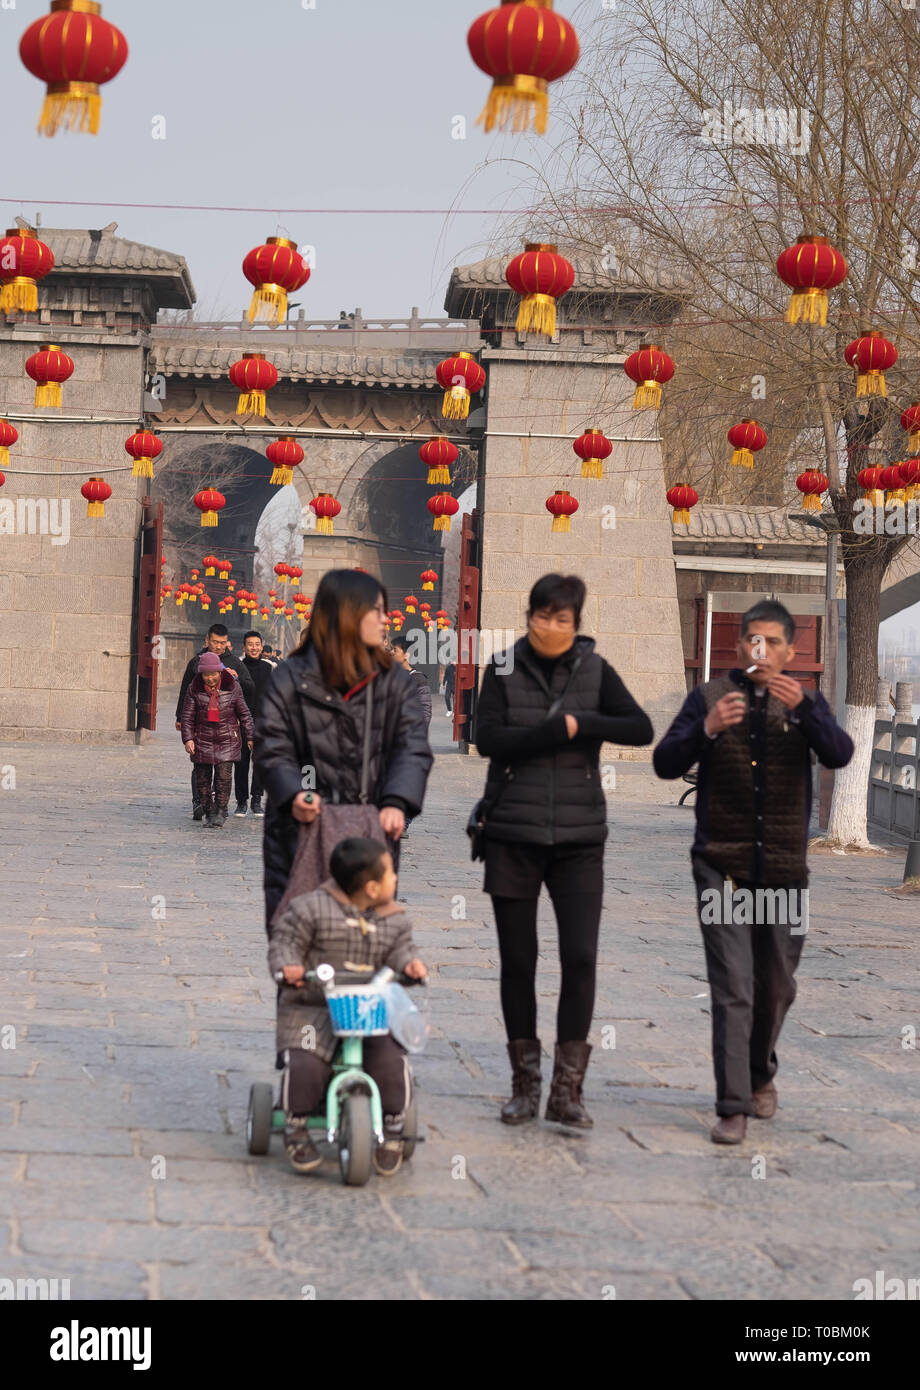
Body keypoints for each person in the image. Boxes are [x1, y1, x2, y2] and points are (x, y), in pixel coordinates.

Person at [653, 599, 854, 1145]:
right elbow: (664, 762)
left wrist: (810, 715)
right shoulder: (710, 698)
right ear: (740, 646)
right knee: (733, 985)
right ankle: (733, 1104)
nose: (759, 650)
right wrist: (707, 731)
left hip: (785, 870)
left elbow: (840, 754)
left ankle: (761, 1071)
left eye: (771, 642)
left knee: (777, 986)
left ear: (789, 651)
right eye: (751, 641)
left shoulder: (806, 702)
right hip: (722, 866)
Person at [475, 573, 654, 1130]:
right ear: (528, 615)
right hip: (512, 834)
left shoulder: (595, 670)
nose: (550, 627)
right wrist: (555, 732)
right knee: (519, 962)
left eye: (562, 618)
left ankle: (567, 1091)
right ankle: (524, 1087)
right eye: (541, 615)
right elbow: (489, 739)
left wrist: (581, 723)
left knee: (580, 958)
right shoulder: (501, 668)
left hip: (579, 841)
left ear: (576, 624)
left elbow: (641, 728)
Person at [257, 569, 433, 934]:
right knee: (299, 948)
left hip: (369, 827)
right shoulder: (289, 677)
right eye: (377, 610)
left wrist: (397, 801)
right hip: (299, 828)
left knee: (363, 948)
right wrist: (293, 792)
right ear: (346, 613)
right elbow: (272, 744)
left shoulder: (395, 682)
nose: (387, 619)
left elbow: (412, 746)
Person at [268, 836, 427, 1175]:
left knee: (390, 1060)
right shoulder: (309, 909)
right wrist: (288, 967)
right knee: (305, 1064)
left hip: (370, 1009)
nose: (395, 879)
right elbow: (286, 942)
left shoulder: (393, 919)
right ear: (371, 887)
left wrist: (410, 964)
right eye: (390, 874)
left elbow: (401, 949)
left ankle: (393, 1127)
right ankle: (296, 1126)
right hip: (315, 1006)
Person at [176, 624, 255, 821]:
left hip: (226, 735)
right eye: (215, 642)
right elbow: (185, 695)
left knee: (224, 775)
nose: (219, 646)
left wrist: (251, 736)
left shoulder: (235, 665)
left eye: (222, 642)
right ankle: (201, 803)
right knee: (202, 774)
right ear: (207, 640)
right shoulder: (196, 664)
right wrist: (183, 725)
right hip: (202, 733)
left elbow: (246, 702)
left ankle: (220, 810)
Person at [237, 630, 275, 818]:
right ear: (244, 647)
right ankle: (241, 801)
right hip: (241, 721)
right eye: (250, 644)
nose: (254, 648)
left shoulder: (268, 668)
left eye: (256, 644)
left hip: (262, 720)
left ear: (261, 646)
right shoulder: (238, 667)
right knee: (241, 762)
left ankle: (257, 799)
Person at [390, 635, 433, 725]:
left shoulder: (418, 678)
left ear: (406, 655)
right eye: (391, 649)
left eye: (395, 650)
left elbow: (425, 710)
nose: (391, 652)